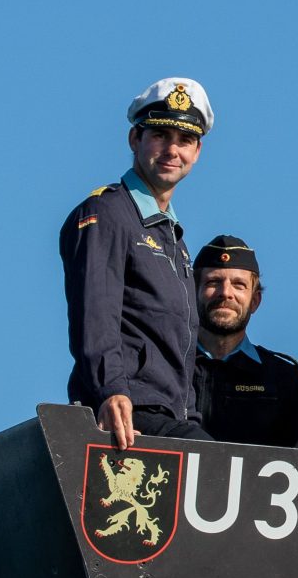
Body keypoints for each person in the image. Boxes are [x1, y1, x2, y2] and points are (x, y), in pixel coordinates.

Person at [59, 77, 215, 450]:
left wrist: (189, 413)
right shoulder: (107, 212)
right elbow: (96, 312)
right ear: (135, 140)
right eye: (160, 135)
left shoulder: (173, 238)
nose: (172, 149)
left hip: (171, 417)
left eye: (185, 140)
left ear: (197, 152)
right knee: (225, 474)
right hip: (130, 415)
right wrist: (110, 389)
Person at [193, 234, 298, 447]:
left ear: (255, 301)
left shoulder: (284, 380)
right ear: (191, 292)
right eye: (214, 282)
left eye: (238, 285)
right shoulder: (165, 369)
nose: (226, 293)